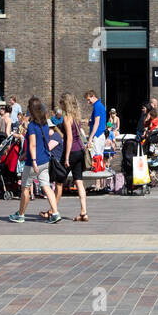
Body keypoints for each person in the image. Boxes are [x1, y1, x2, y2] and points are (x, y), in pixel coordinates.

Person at [11, 100, 60, 223]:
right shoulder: (44, 124)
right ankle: (55, 213)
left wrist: (32, 160)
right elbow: (40, 143)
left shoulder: (32, 126)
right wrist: (25, 154)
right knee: (46, 187)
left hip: (34, 162)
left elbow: (33, 145)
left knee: (25, 188)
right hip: (44, 159)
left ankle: (21, 215)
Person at [57, 93, 90, 222]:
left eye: (61, 103)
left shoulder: (67, 117)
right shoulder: (77, 116)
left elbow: (69, 138)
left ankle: (53, 211)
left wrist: (66, 158)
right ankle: (84, 212)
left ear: (65, 104)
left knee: (59, 181)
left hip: (71, 152)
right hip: (80, 152)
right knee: (79, 181)